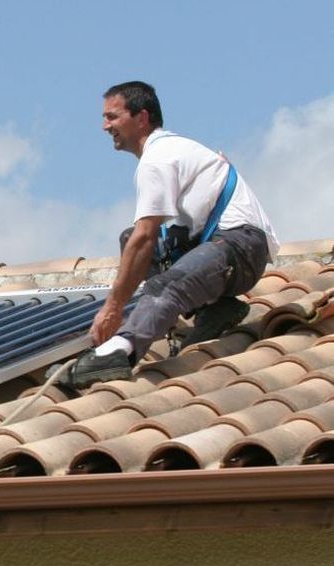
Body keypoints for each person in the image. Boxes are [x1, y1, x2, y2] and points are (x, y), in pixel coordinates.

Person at [64, 81, 280, 387]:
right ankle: (215, 309)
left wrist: (113, 308)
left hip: (240, 247)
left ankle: (120, 352)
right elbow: (138, 240)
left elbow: (146, 236)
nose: (104, 126)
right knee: (131, 240)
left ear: (142, 118)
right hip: (222, 249)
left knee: (162, 280)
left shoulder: (158, 158)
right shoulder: (168, 152)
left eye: (112, 117)